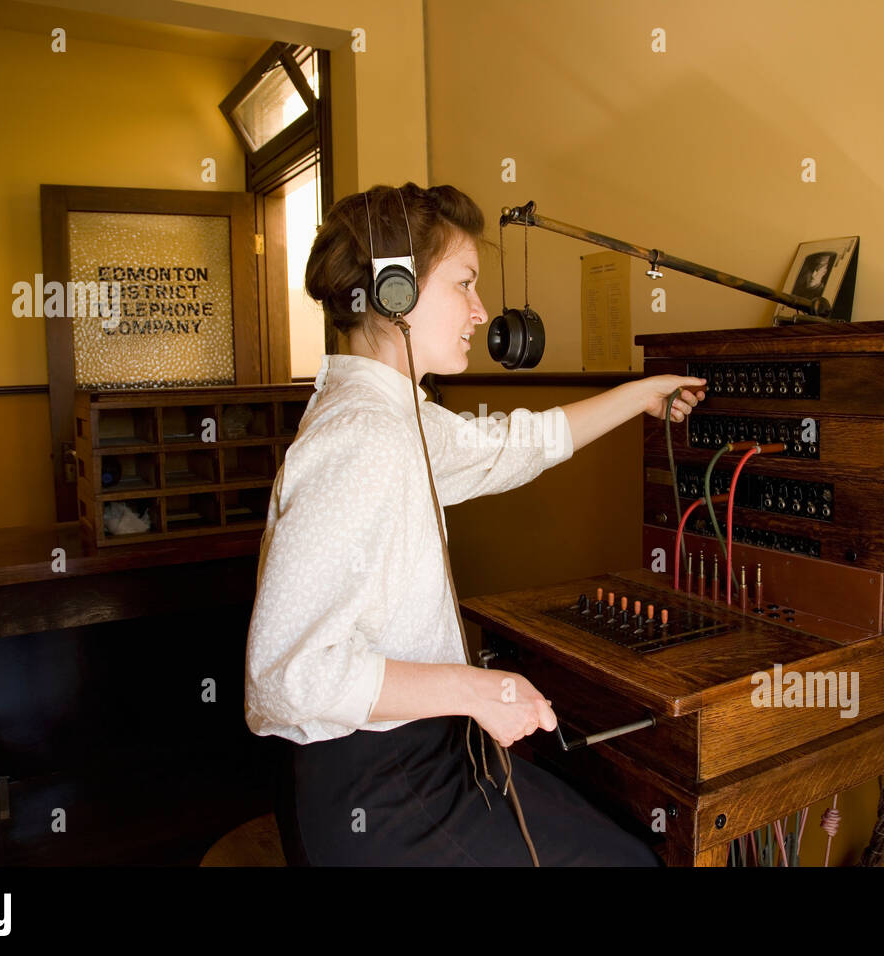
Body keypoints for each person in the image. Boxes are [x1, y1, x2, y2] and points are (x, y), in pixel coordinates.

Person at [244, 182, 706, 866]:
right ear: (395, 291)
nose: (481, 310)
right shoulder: (359, 442)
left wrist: (640, 394)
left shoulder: (394, 417)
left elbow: (510, 447)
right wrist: (479, 688)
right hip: (380, 789)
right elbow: (283, 678)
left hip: (423, 755)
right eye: (464, 284)